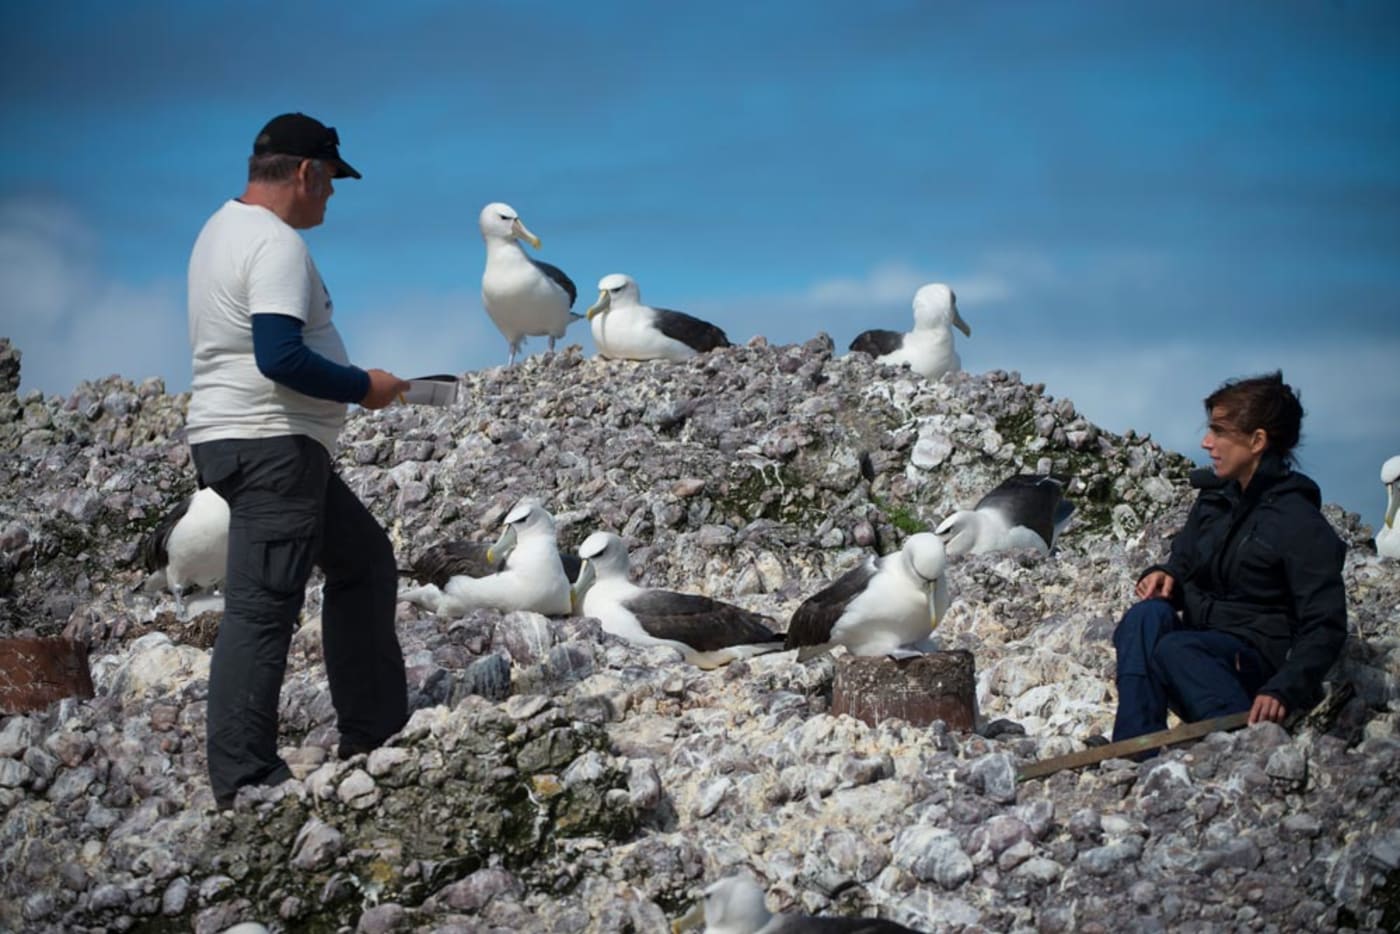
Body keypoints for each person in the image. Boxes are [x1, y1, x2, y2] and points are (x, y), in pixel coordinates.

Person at [185, 112, 410, 807]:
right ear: (307, 173)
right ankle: (246, 776)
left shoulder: (218, 229)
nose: (333, 197)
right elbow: (279, 356)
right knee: (262, 607)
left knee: (364, 562)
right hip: (270, 444)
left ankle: (376, 733)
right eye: (333, 180)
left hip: (251, 440)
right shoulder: (274, 243)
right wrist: (364, 388)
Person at [1111, 371, 1347, 745]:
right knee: (1145, 617)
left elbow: (1325, 624)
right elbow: (1184, 563)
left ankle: (1240, 742)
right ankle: (1135, 745)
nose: (1207, 443)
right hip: (1202, 651)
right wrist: (1165, 575)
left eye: (1220, 432)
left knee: (1177, 648)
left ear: (1257, 441)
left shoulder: (1300, 523)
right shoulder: (1215, 500)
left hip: (1254, 669)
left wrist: (1284, 689)